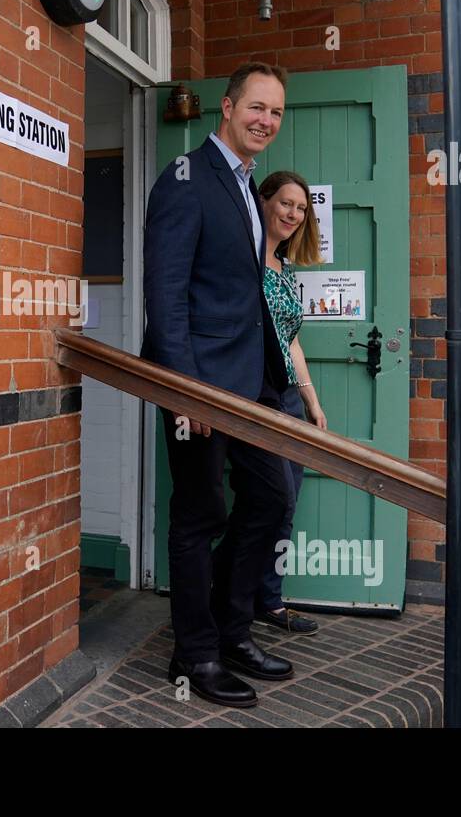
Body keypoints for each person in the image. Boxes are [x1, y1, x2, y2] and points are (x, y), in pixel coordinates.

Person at [141, 62, 296, 709]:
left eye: (276, 113)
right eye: (256, 107)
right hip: (200, 387)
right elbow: (166, 294)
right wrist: (186, 390)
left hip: (249, 387)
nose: (265, 120)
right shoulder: (186, 179)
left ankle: (232, 632)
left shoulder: (249, 189)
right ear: (227, 108)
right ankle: (196, 651)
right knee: (199, 514)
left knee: (270, 499)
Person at [254, 170, 327, 635]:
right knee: (269, 500)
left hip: (288, 399)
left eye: (301, 209)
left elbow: (292, 341)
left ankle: (270, 599)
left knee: (288, 502)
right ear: (263, 202)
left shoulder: (285, 269)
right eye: (285, 203)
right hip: (257, 395)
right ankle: (237, 594)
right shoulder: (244, 262)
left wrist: (312, 402)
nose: (293, 214)